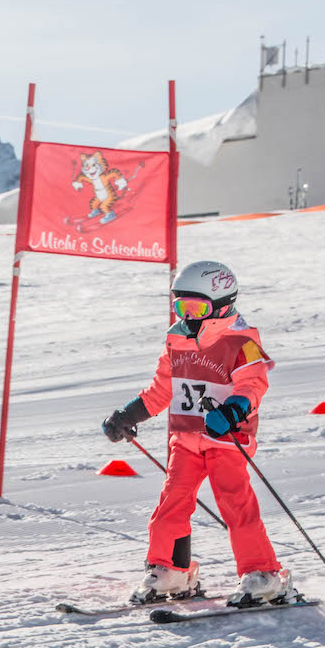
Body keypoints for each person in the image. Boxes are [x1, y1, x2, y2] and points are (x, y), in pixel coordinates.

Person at [101, 260, 291, 607]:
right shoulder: (177, 339)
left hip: (225, 440)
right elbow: (162, 389)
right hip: (185, 439)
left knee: (235, 505)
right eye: (181, 306)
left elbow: (253, 384)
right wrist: (127, 415)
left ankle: (262, 573)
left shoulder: (241, 341)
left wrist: (232, 411)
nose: (187, 315)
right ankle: (172, 569)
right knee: (171, 505)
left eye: (197, 307)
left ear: (222, 306)